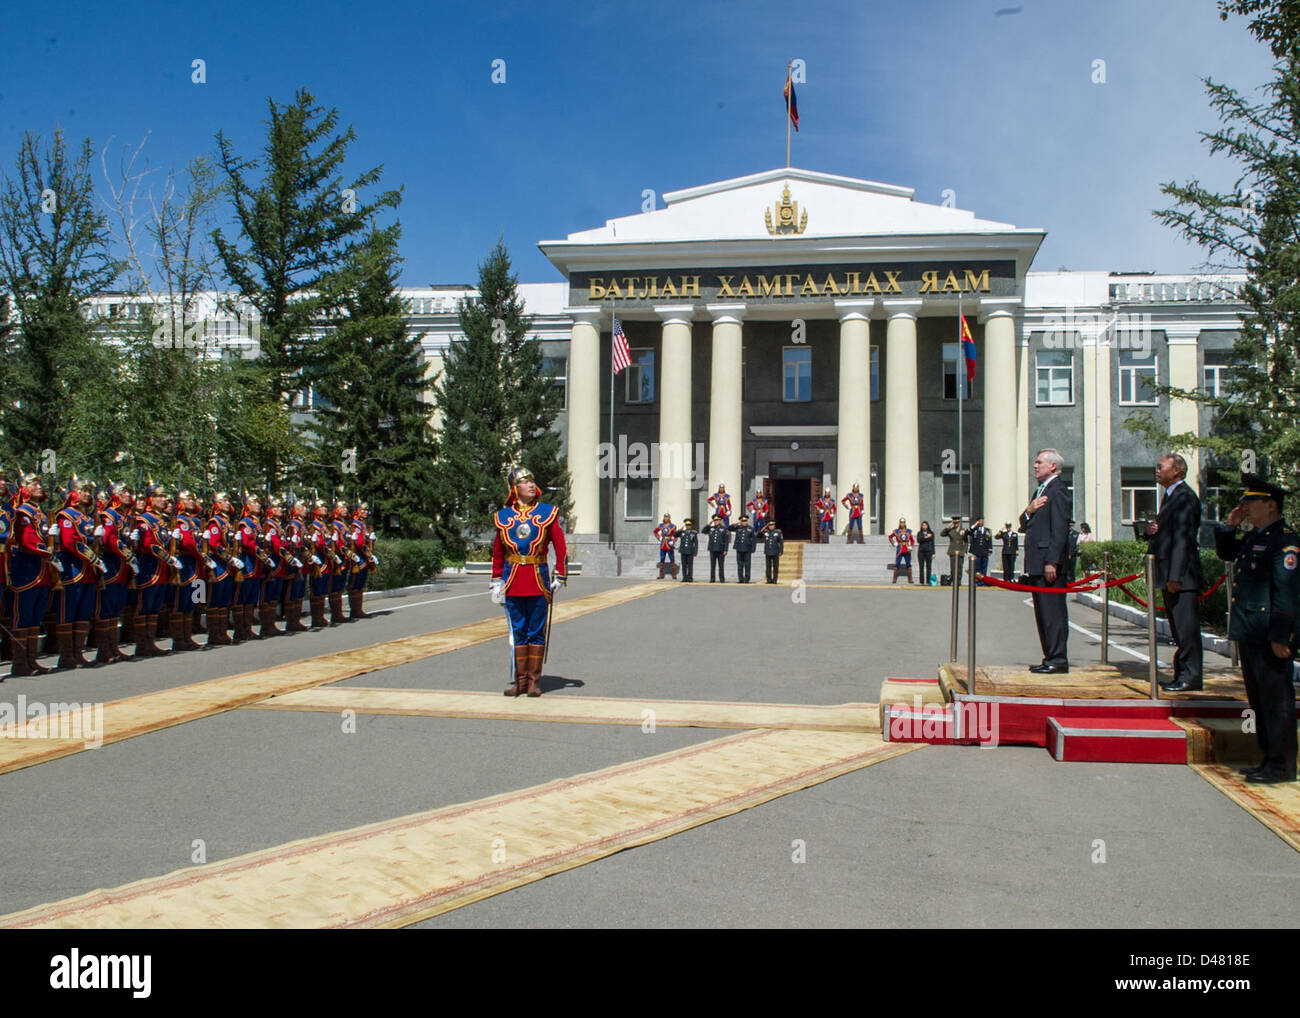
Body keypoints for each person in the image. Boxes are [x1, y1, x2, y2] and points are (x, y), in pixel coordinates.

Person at [1214, 472, 1298, 783]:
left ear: (1272, 505)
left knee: (1277, 701)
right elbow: (1226, 552)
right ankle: (1268, 758)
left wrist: (1281, 635)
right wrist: (1229, 526)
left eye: (1253, 502)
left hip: (1268, 633)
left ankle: (1283, 765)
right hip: (1250, 630)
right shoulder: (1256, 537)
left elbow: (1286, 592)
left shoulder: (1285, 541)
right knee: (1259, 698)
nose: (1246, 507)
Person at [491, 466, 566, 698]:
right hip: (512, 578)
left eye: (533, 481)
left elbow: (560, 545)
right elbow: (497, 552)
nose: (532, 485)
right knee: (518, 630)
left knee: (536, 630)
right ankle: (520, 682)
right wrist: (496, 580)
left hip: (538, 577)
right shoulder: (504, 516)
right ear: (516, 488)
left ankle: (534, 681)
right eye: (526, 482)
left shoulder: (547, 513)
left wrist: (560, 574)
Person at [1144, 454, 1204, 692]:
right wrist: (1150, 531)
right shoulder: (1170, 496)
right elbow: (1166, 533)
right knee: (1178, 629)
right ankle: (1183, 673)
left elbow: (1182, 541)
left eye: (1161, 467)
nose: (1157, 470)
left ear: (1177, 471)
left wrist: (1175, 576)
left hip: (1181, 576)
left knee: (1186, 628)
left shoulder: (1185, 498)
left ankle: (1191, 676)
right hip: (1171, 573)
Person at [1019, 448, 1072, 674]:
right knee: (1042, 613)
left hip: (1049, 564)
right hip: (1037, 562)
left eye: (1039, 462)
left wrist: (1052, 561)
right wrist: (1029, 511)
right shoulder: (1040, 491)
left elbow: (1060, 530)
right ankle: (1049, 655)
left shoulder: (1058, 491)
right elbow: (1024, 522)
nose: (1035, 466)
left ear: (1052, 466)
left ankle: (1058, 658)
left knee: (1053, 613)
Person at [7, 471, 56, 678]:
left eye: (39, 484)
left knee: (35, 617)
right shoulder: (23, 512)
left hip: (41, 571)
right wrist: (48, 551)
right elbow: (27, 542)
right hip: (27, 572)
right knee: (23, 616)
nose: (39, 487)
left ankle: (31, 659)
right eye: (34, 485)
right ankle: (19, 663)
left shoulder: (40, 512)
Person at [941, 516, 968, 586]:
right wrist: (948, 526)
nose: (956, 524)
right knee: (953, 567)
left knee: (959, 567)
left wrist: (965, 551)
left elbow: (966, 542)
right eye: (954, 523)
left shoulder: (963, 530)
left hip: (960, 550)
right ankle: (953, 581)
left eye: (957, 523)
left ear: (959, 522)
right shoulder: (951, 530)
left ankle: (958, 582)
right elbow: (942, 534)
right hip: (952, 550)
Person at [730, 513, 756, 583]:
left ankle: (747, 579)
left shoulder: (750, 529)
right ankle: (741, 579)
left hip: (747, 549)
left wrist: (753, 549)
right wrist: (735, 524)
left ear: (747, 521)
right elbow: (729, 528)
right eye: (743, 521)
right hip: (739, 548)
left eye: (745, 521)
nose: (744, 522)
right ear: (741, 522)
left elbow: (753, 539)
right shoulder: (738, 528)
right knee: (740, 565)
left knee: (747, 565)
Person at [889, 518, 914, 584]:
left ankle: (910, 579)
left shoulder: (908, 531)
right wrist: (893, 543)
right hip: (899, 548)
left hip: (906, 548)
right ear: (899, 523)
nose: (902, 524)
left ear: (905, 523)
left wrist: (911, 546)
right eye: (901, 522)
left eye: (903, 523)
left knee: (908, 563)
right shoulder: (896, 531)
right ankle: (894, 578)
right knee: (897, 563)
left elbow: (912, 540)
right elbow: (890, 537)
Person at [653, 513, 678, 580]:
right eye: (665, 517)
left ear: (669, 518)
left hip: (669, 543)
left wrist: (673, 541)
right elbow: (655, 531)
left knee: (672, 558)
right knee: (662, 558)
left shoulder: (673, 526)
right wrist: (659, 538)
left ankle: (674, 574)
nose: (666, 518)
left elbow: (676, 534)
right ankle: (661, 575)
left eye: (667, 517)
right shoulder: (661, 525)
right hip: (663, 543)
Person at [969, 517, 993, 586]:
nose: (981, 522)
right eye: (980, 521)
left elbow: (990, 540)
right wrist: (975, 524)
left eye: (982, 521)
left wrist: (990, 549)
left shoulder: (988, 530)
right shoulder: (975, 530)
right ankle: (979, 581)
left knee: (984, 567)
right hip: (977, 551)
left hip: (985, 551)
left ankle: (984, 580)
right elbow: (970, 531)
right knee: (978, 567)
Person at [706, 514, 730, 582]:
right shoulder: (711, 528)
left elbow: (726, 540)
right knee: (712, 565)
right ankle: (712, 579)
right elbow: (703, 531)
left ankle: (722, 579)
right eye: (715, 520)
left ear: (720, 521)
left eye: (718, 520)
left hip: (720, 549)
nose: (716, 522)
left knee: (721, 566)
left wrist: (725, 549)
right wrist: (708, 525)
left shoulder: (724, 529)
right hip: (712, 549)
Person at [762, 519, 785, 583]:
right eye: (770, 525)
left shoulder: (778, 532)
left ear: (774, 526)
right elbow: (758, 535)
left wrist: (781, 551)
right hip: (768, 551)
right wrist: (763, 528)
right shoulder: (766, 532)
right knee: (768, 567)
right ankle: (769, 580)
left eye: (772, 525)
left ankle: (775, 580)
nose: (771, 527)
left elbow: (781, 542)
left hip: (775, 551)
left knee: (775, 567)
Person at [677, 518, 698, 582]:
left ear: (691, 525)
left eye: (689, 525)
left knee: (690, 565)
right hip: (683, 550)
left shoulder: (693, 533)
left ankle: (690, 577)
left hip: (690, 551)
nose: (688, 526)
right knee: (684, 565)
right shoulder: (682, 532)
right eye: (687, 525)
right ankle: (684, 577)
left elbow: (696, 543)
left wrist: (695, 552)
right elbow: (675, 535)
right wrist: (679, 530)